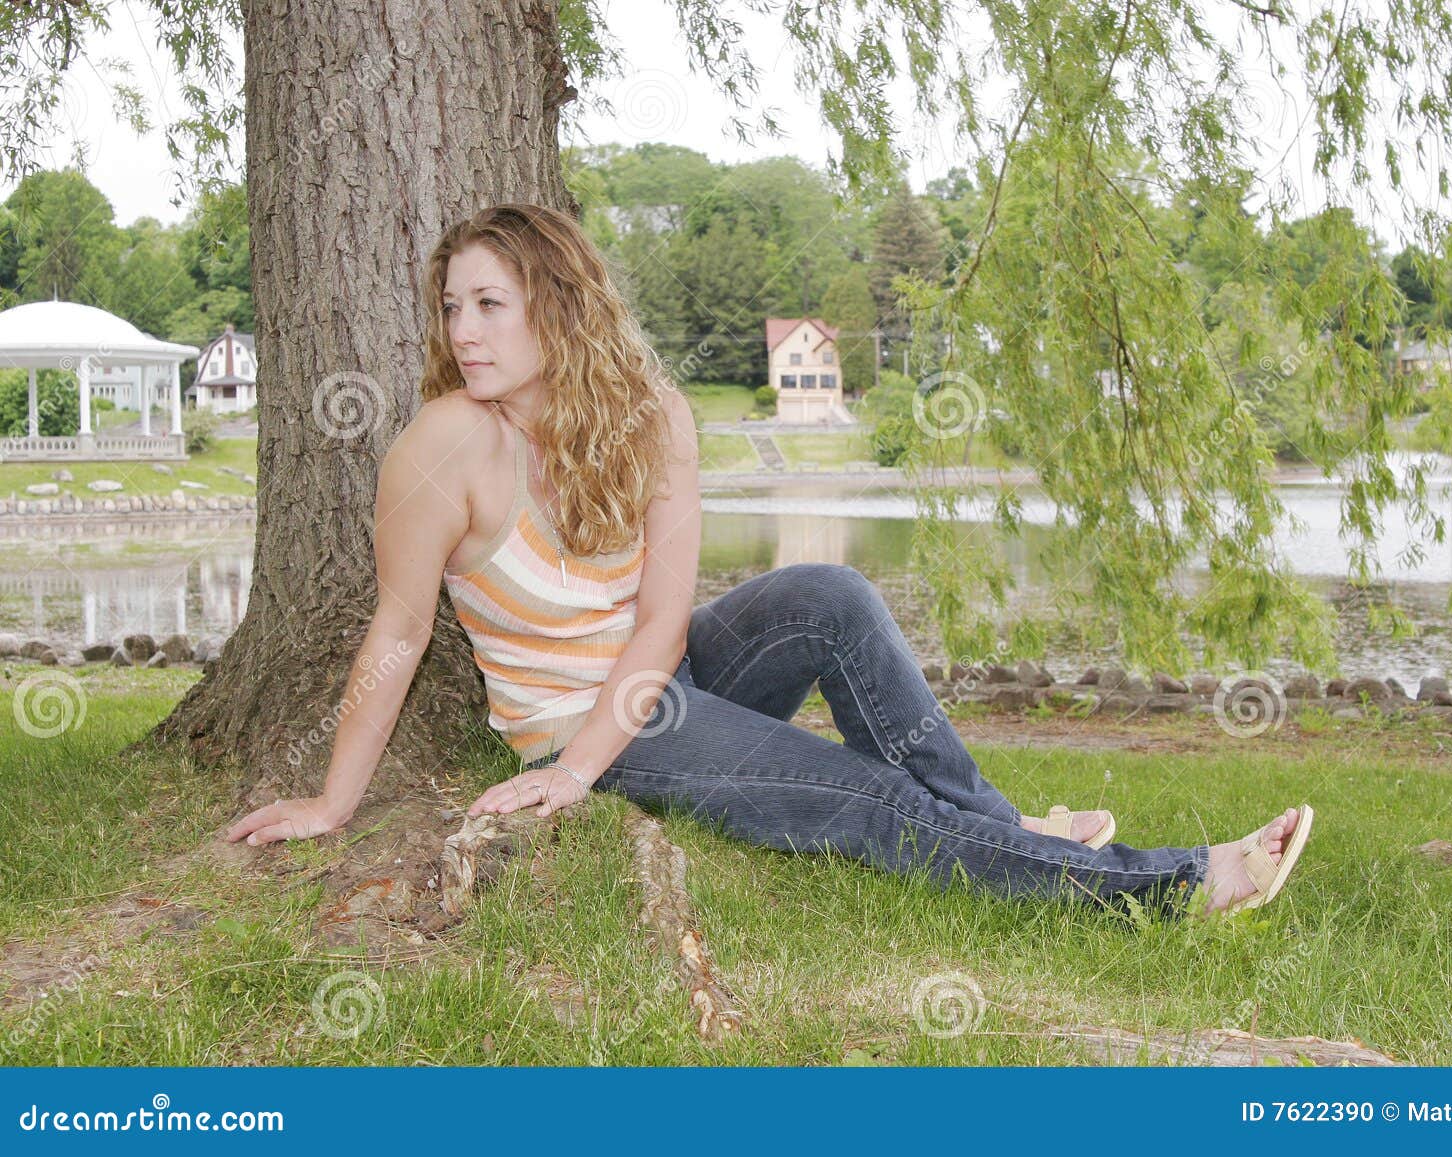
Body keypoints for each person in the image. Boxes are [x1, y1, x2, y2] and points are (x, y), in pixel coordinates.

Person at [225, 202, 1314, 921]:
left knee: (831, 592)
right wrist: (337, 801)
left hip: (668, 674)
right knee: (864, 801)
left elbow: (660, 625)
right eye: (453, 305)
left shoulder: (652, 416)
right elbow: (399, 630)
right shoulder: (443, 446)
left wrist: (589, 760)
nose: (463, 328)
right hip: (578, 716)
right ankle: (1178, 883)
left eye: (490, 302)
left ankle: (994, 820)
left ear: (555, 306)